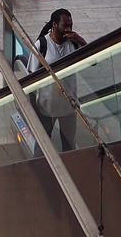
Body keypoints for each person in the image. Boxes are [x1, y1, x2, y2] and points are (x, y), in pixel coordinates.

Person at [26, 8, 87, 149]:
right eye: (64, 25)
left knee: (68, 144)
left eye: (70, 25)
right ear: (54, 24)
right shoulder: (42, 45)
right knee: (43, 145)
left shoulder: (73, 43)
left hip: (69, 106)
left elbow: (93, 60)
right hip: (47, 107)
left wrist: (81, 41)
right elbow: (31, 78)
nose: (68, 29)